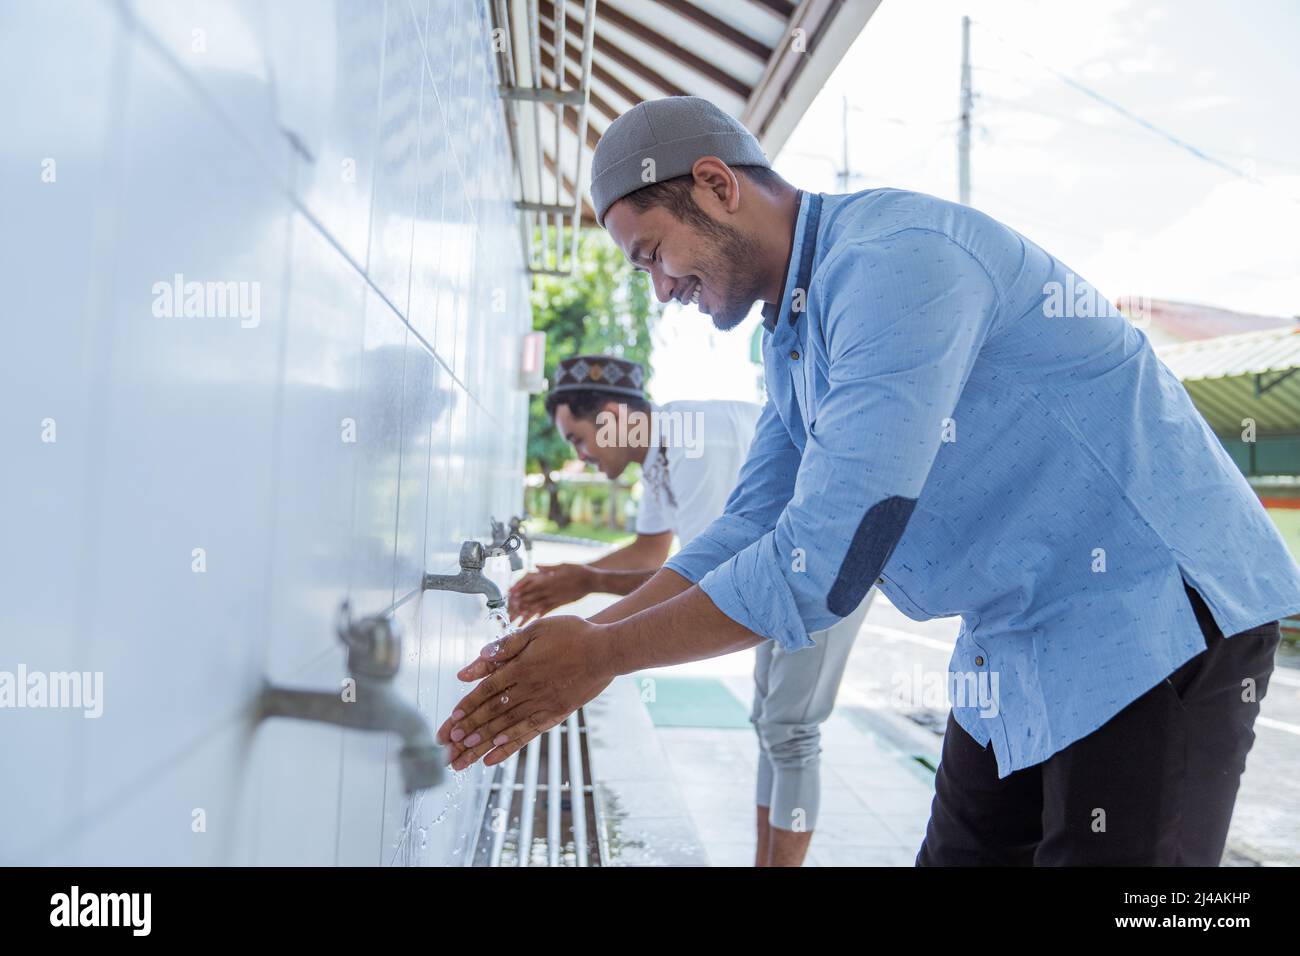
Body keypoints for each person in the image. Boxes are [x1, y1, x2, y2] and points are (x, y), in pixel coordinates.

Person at [438, 96, 1300, 865]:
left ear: (714, 184)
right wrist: (590, 643)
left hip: (1153, 617)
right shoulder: (790, 334)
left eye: (655, 254)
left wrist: (600, 654)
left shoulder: (896, 264)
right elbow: (747, 529)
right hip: (1018, 629)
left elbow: (827, 560)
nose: (661, 289)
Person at [510, 354, 873, 866]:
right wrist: (579, 587)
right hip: (781, 572)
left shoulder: (694, 438)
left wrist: (589, 625)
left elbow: (703, 577)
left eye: (578, 438)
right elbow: (651, 555)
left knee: (790, 729)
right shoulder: (657, 455)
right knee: (772, 723)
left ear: (613, 415)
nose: (582, 455)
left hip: (831, 558)